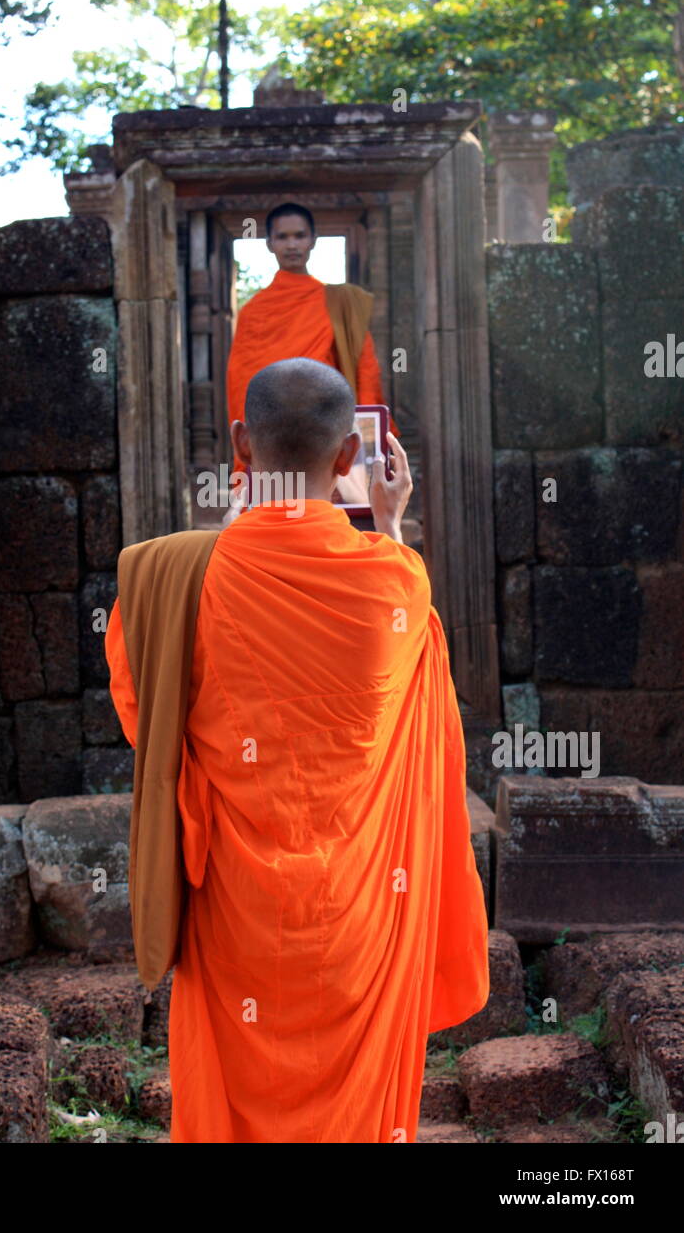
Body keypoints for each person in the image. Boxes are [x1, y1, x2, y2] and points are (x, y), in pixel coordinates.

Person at [105, 358, 489, 1144]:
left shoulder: (168, 578)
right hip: (361, 914)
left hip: (236, 909)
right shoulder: (396, 583)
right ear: (351, 457)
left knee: (237, 1091)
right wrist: (388, 526)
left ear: (240, 444)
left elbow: (150, 726)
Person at [225, 202, 397, 481]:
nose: (292, 245)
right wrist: (248, 446)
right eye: (282, 237)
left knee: (327, 508)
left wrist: (370, 438)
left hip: (327, 426)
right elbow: (241, 386)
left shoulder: (339, 302)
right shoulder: (254, 311)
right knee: (278, 513)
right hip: (273, 432)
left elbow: (365, 370)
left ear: (313, 241)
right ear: (269, 244)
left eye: (300, 235)